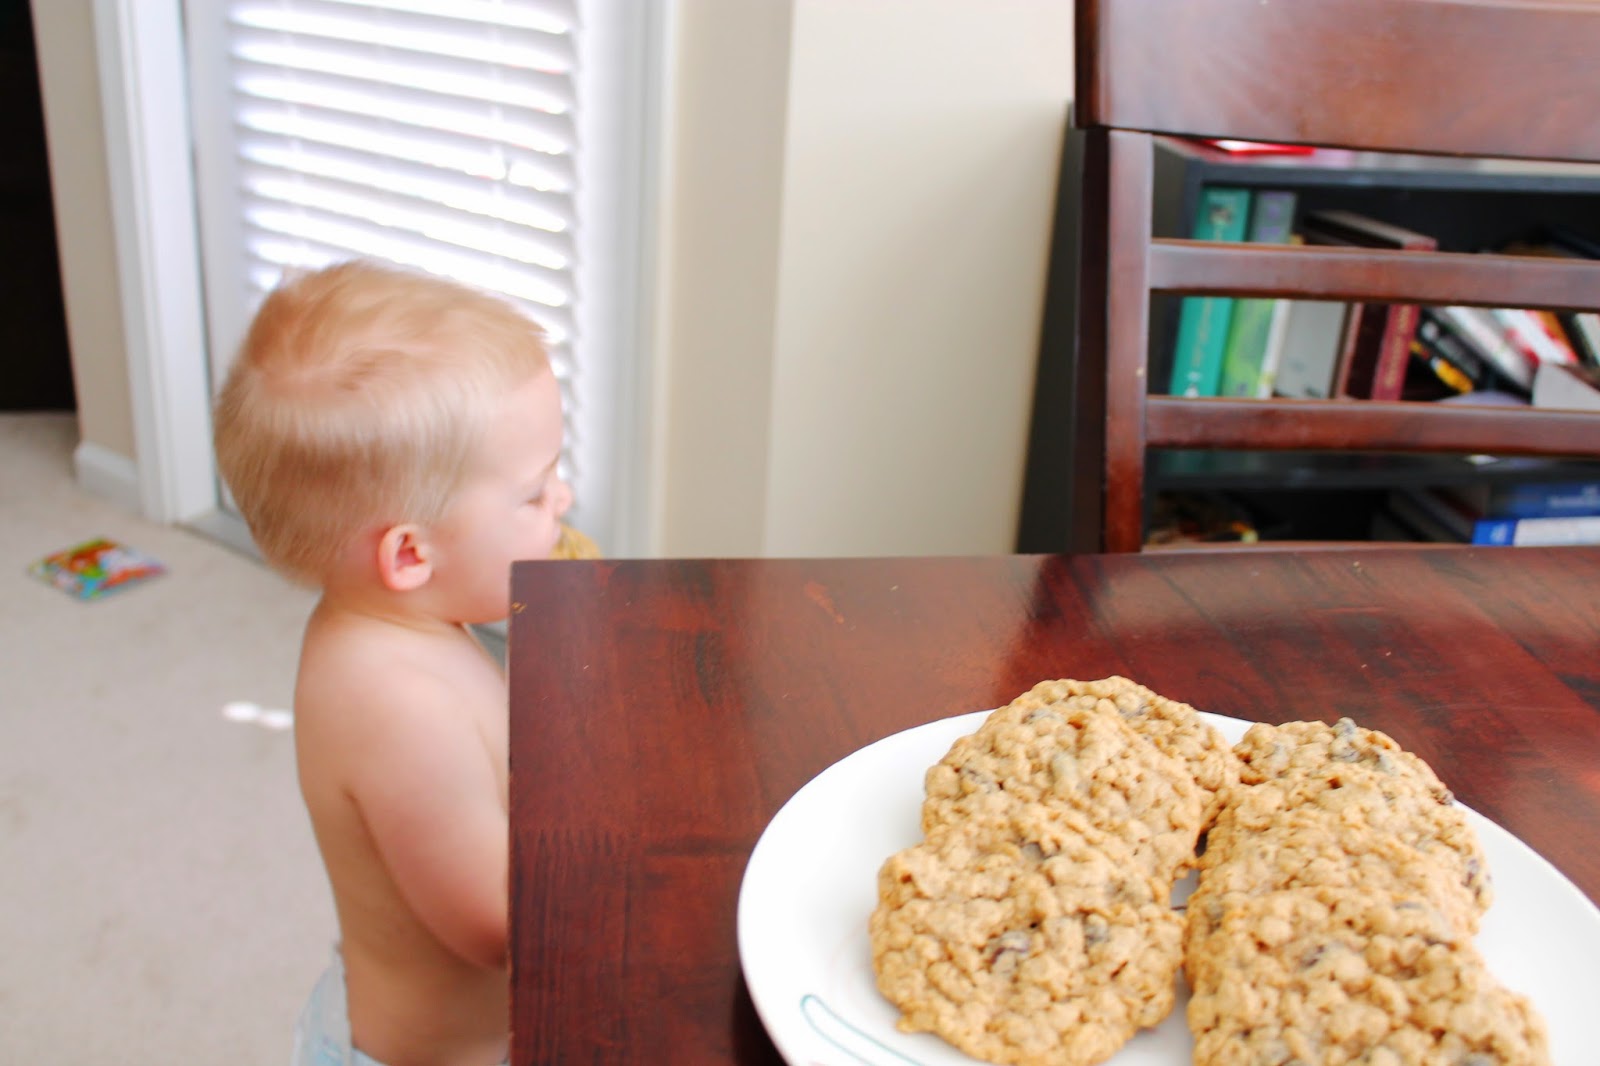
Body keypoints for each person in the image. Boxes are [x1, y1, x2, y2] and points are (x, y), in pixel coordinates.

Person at [213, 258, 576, 1066]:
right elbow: (500, 926)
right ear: (410, 552)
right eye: (534, 490)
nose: (566, 498)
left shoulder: (403, 621)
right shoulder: (394, 706)